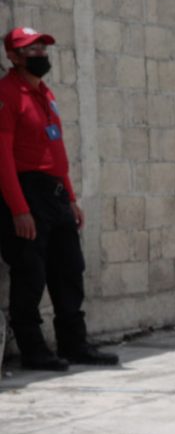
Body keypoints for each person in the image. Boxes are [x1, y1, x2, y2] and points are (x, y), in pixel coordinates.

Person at [1, 26, 116, 370]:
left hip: (55, 193)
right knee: (30, 274)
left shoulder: (46, 94)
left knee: (69, 269)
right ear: (13, 56)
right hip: (26, 191)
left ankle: (74, 343)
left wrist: (70, 196)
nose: (39, 55)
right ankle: (33, 350)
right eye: (30, 50)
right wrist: (19, 209)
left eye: (41, 48)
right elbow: (3, 157)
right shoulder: (7, 94)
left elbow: (56, 149)